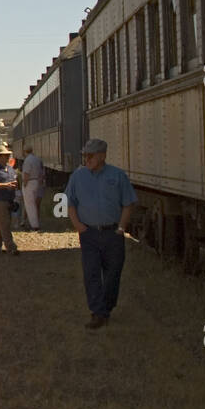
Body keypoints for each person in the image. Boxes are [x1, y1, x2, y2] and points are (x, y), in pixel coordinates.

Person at [64, 138, 137, 330]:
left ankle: (107, 306)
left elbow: (128, 203)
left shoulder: (117, 176)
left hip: (113, 233)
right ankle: (98, 312)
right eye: (85, 155)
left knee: (113, 273)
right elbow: (70, 203)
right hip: (89, 234)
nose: (86, 159)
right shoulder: (78, 177)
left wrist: (121, 228)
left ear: (102, 156)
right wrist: (78, 226)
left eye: (91, 155)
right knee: (91, 273)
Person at [20, 146, 44, 231]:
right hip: (36, 181)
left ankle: (34, 225)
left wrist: (25, 184)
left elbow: (26, 173)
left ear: (24, 151)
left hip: (29, 182)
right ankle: (35, 223)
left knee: (29, 205)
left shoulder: (27, 160)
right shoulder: (36, 159)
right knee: (33, 204)